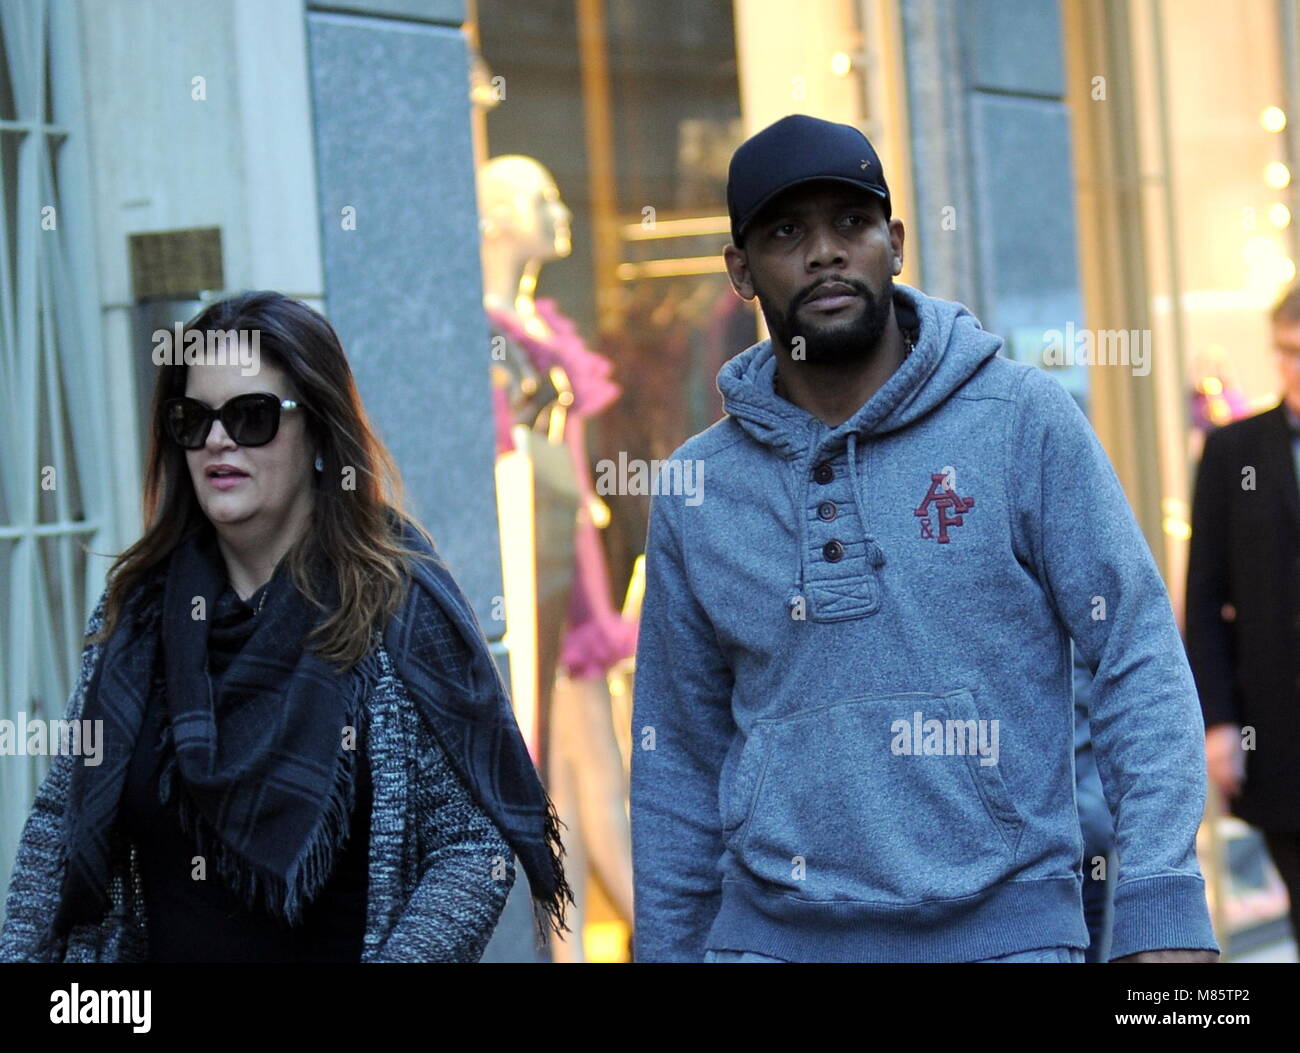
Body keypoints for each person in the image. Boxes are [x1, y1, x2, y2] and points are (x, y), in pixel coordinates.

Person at [629, 114, 1218, 963]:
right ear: (740, 271)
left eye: (852, 222)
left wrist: (1163, 902)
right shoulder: (697, 490)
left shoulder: (1022, 422)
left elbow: (1138, 657)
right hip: (770, 946)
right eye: (787, 231)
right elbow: (678, 759)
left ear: (895, 243)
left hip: (1007, 939)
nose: (825, 251)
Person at [0, 291, 571, 963]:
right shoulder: (139, 614)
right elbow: (60, 824)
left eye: (251, 416)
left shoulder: (394, 601)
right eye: (194, 419)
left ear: (320, 433)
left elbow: (469, 845)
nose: (218, 439)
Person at [1186, 286, 1300, 947]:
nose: (1298, 369)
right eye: (1288, 353)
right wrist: (1221, 722)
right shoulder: (1232, 453)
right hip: (1276, 727)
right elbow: (1202, 595)